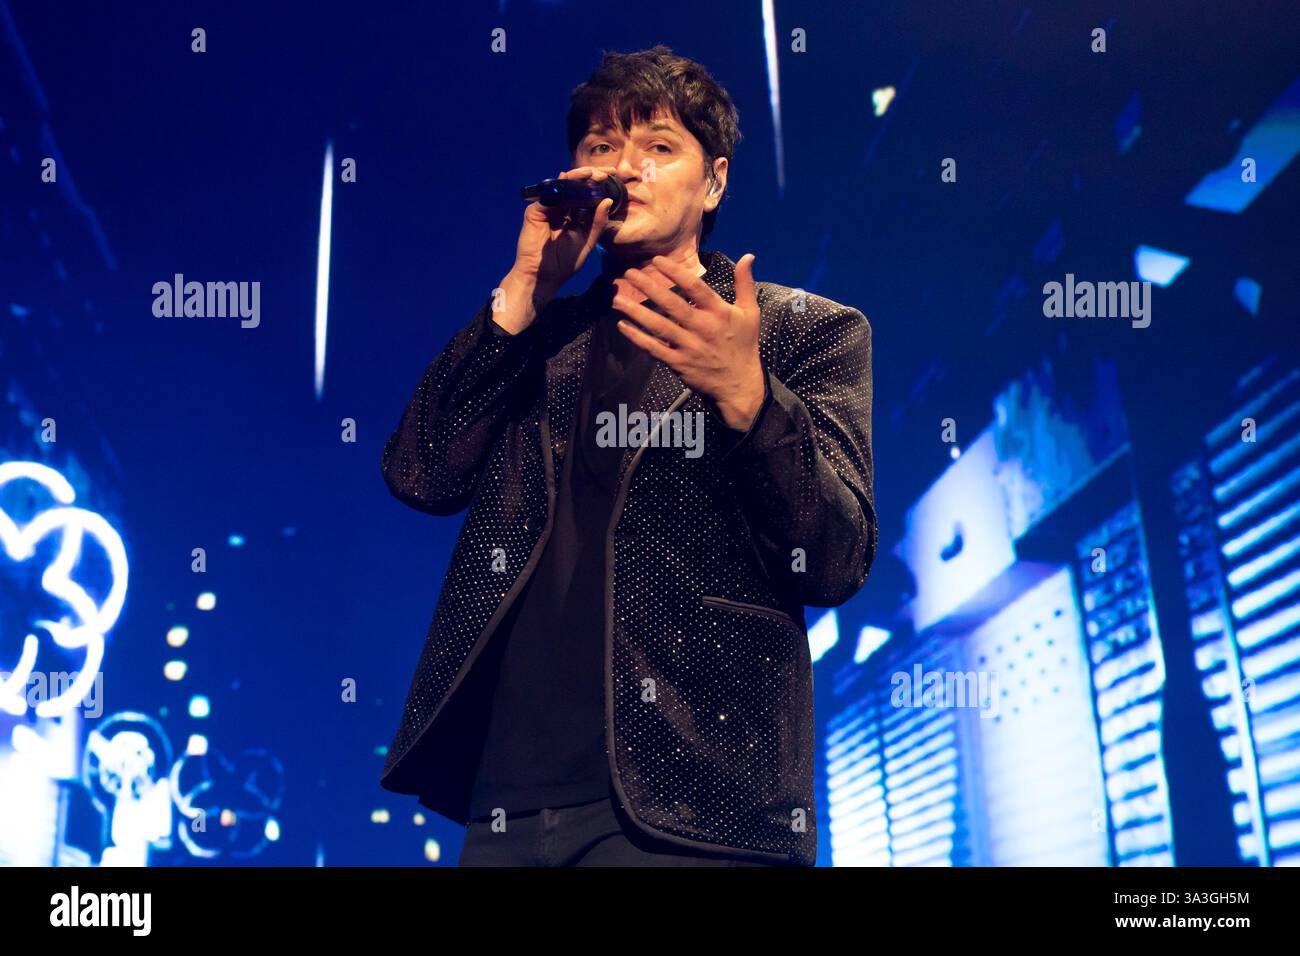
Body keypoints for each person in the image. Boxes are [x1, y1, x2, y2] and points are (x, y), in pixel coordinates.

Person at [379, 45, 877, 866]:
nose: (626, 169)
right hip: (509, 799)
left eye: (658, 146)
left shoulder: (800, 332)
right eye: (601, 147)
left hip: (693, 797)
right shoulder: (541, 339)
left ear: (713, 182)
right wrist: (524, 292)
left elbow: (831, 560)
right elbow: (419, 474)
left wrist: (750, 400)